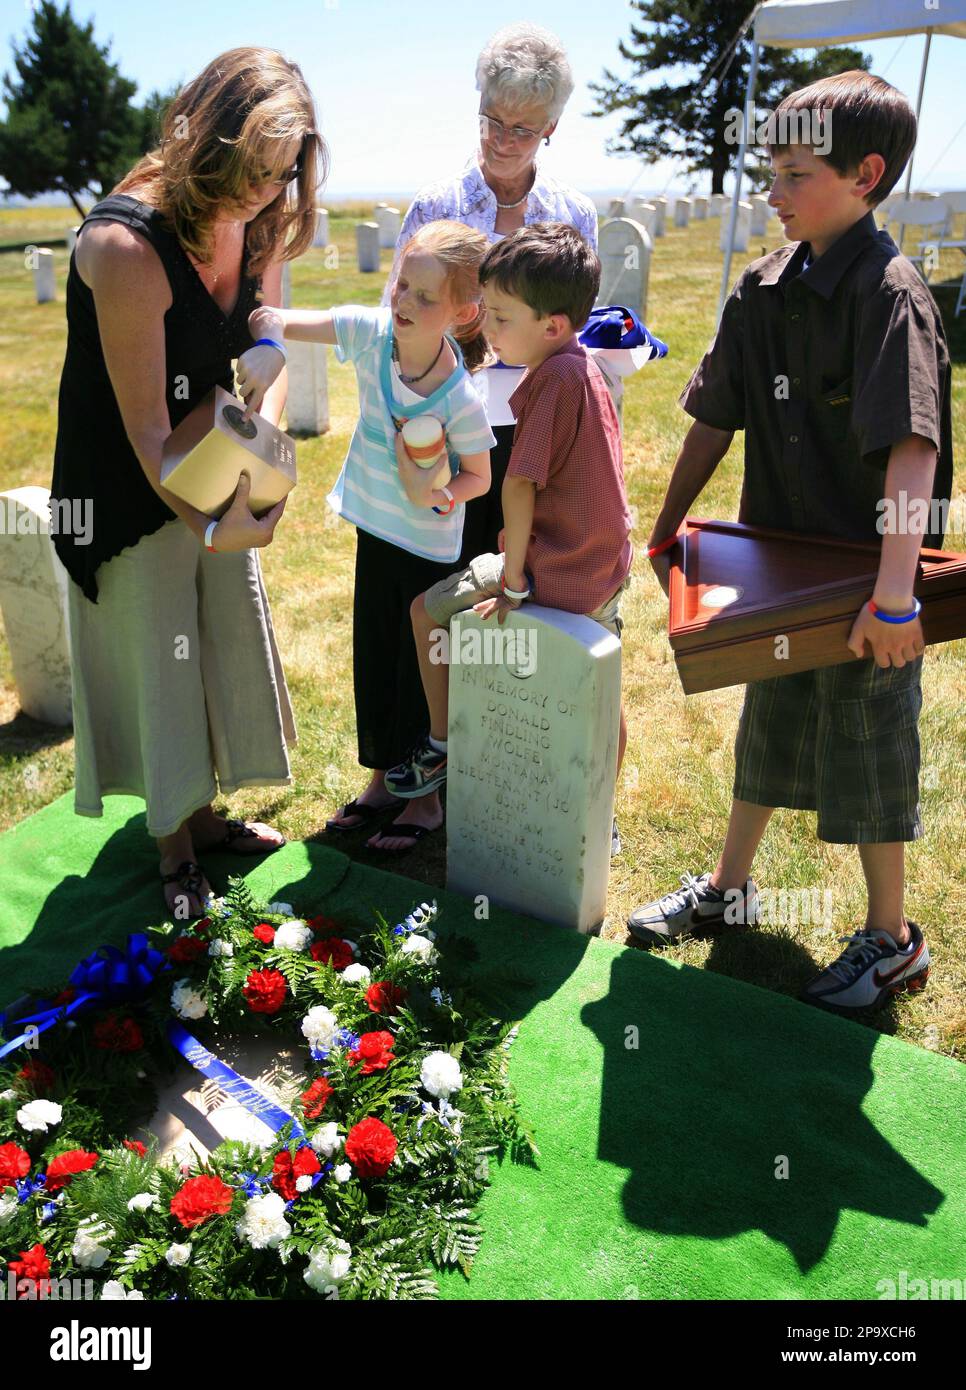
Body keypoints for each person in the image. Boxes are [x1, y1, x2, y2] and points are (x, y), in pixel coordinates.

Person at [628, 72, 953, 1015]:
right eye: (768, 166)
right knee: (768, 725)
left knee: (868, 746)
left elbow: (911, 452)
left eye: (794, 171)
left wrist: (897, 598)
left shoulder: (891, 294)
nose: (772, 188)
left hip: (868, 584)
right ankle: (729, 889)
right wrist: (662, 531)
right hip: (777, 570)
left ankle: (891, 940)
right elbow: (709, 419)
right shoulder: (760, 290)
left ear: (866, 175)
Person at [50, 48, 327, 919]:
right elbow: (142, 432)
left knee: (217, 627)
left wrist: (267, 427)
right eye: (253, 172)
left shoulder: (267, 211)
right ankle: (171, 841)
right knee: (160, 642)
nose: (267, 194)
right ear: (206, 140)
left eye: (283, 175)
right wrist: (214, 522)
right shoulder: (124, 246)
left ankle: (208, 816)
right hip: (123, 482)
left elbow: (266, 339)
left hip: (212, 446)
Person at [237, 220, 497, 852]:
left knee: (419, 668)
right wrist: (266, 334)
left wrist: (441, 493)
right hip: (375, 527)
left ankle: (427, 800)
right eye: (402, 284)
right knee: (375, 653)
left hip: (429, 544)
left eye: (425, 297)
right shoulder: (374, 336)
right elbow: (285, 320)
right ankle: (383, 780)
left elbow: (481, 477)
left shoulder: (459, 396)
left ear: (463, 313)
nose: (404, 302)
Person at [384, 223, 633, 846]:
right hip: (604, 566)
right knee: (602, 688)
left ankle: (440, 744)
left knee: (425, 612)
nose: (486, 331)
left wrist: (516, 580)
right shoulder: (583, 366)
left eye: (499, 318)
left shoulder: (551, 379)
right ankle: (599, 808)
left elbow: (519, 488)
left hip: (557, 567)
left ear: (551, 325)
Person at [380, 21, 598, 572]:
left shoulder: (573, 215)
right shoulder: (437, 205)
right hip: (442, 424)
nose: (502, 140)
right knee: (432, 584)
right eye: (492, 121)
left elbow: (577, 330)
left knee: (508, 594)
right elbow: (397, 319)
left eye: (522, 129)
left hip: (533, 433)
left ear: (552, 126)